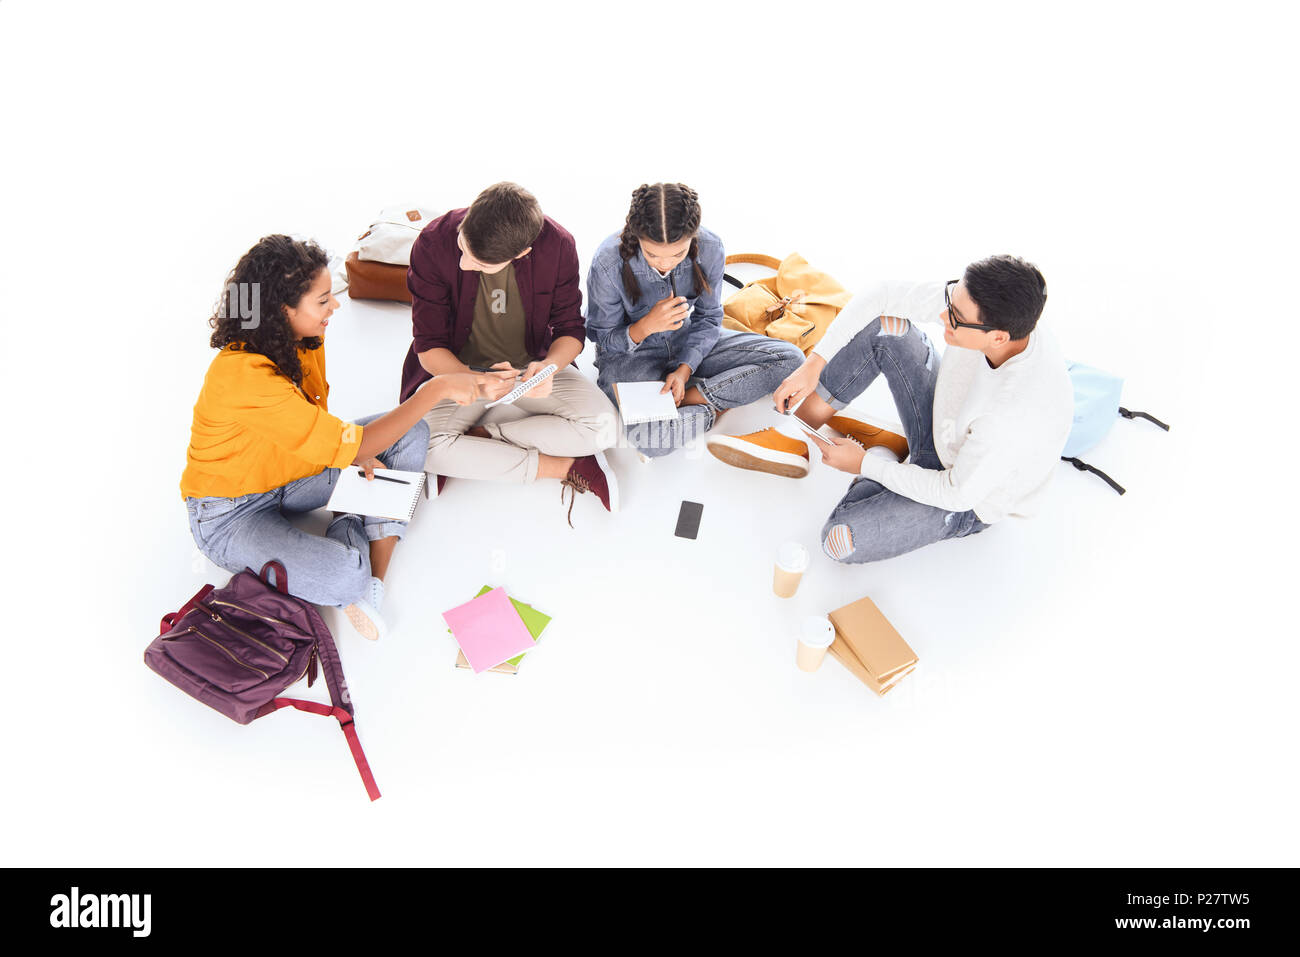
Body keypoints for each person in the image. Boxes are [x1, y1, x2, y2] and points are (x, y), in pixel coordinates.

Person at [181, 235, 487, 640]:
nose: (336, 306)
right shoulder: (244, 377)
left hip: (292, 471)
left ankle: (373, 584)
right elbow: (345, 439)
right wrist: (435, 389)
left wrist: (349, 453)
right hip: (230, 514)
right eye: (323, 301)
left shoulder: (300, 338)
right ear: (282, 310)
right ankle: (354, 533)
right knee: (343, 577)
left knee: (411, 431)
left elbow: (311, 421)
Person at [712, 255, 1074, 563]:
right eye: (950, 300)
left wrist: (868, 464)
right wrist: (815, 363)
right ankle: (798, 433)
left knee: (839, 542)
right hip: (946, 427)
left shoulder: (1011, 415)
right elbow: (882, 295)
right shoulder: (982, 309)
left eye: (956, 317)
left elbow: (956, 493)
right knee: (886, 326)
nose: (944, 318)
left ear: (998, 337)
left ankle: (885, 455)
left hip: (967, 497)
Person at [400, 182, 619, 526]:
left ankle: (484, 437)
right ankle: (564, 465)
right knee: (419, 448)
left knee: (607, 430)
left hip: (527, 367)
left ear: (522, 253)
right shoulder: (432, 242)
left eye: (479, 263)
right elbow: (428, 345)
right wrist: (474, 383)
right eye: (462, 246)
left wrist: (546, 370)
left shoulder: (558, 247)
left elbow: (570, 331)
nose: (463, 262)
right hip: (457, 371)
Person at [585, 182, 804, 460]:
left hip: (686, 340)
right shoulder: (607, 263)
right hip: (630, 358)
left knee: (791, 360)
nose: (665, 264)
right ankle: (711, 406)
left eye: (678, 254)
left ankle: (690, 398)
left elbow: (710, 317)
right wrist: (646, 326)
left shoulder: (710, 247)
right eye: (652, 254)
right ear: (636, 235)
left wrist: (685, 369)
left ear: (693, 235)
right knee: (650, 441)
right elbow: (603, 340)